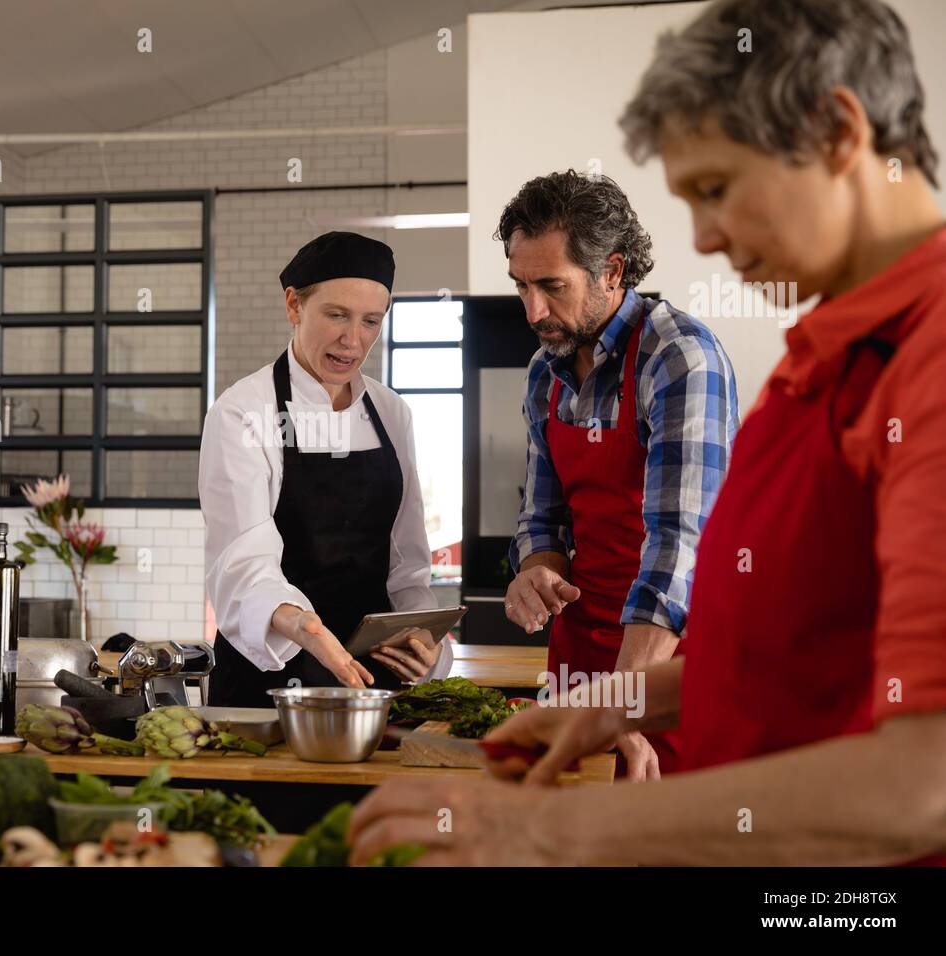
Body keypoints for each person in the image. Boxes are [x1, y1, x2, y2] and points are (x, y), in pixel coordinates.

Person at [348, 0, 946, 866]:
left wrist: (548, 830)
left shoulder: (927, 359)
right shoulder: (826, 358)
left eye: (715, 188)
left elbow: (925, 780)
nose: (703, 234)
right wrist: (608, 706)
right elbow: (785, 653)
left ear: (837, 132)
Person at [499, 171, 738, 778]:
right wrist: (537, 567)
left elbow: (679, 545)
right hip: (579, 655)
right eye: (521, 286)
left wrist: (621, 705)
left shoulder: (678, 357)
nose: (534, 310)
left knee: (669, 836)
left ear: (612, 270)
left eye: (552, 286)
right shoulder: (543, 369)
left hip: (669, 660)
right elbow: (542, 515)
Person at [200, 232, 451, 707]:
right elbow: (242, 563)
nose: (352, 340)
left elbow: (408, 569)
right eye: (336, 315)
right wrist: (306, 625)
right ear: (293, 305)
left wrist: (423, 639)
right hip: (269, 677)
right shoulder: (243, 412)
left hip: (372, 685)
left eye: (371, 321)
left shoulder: (392, 413)